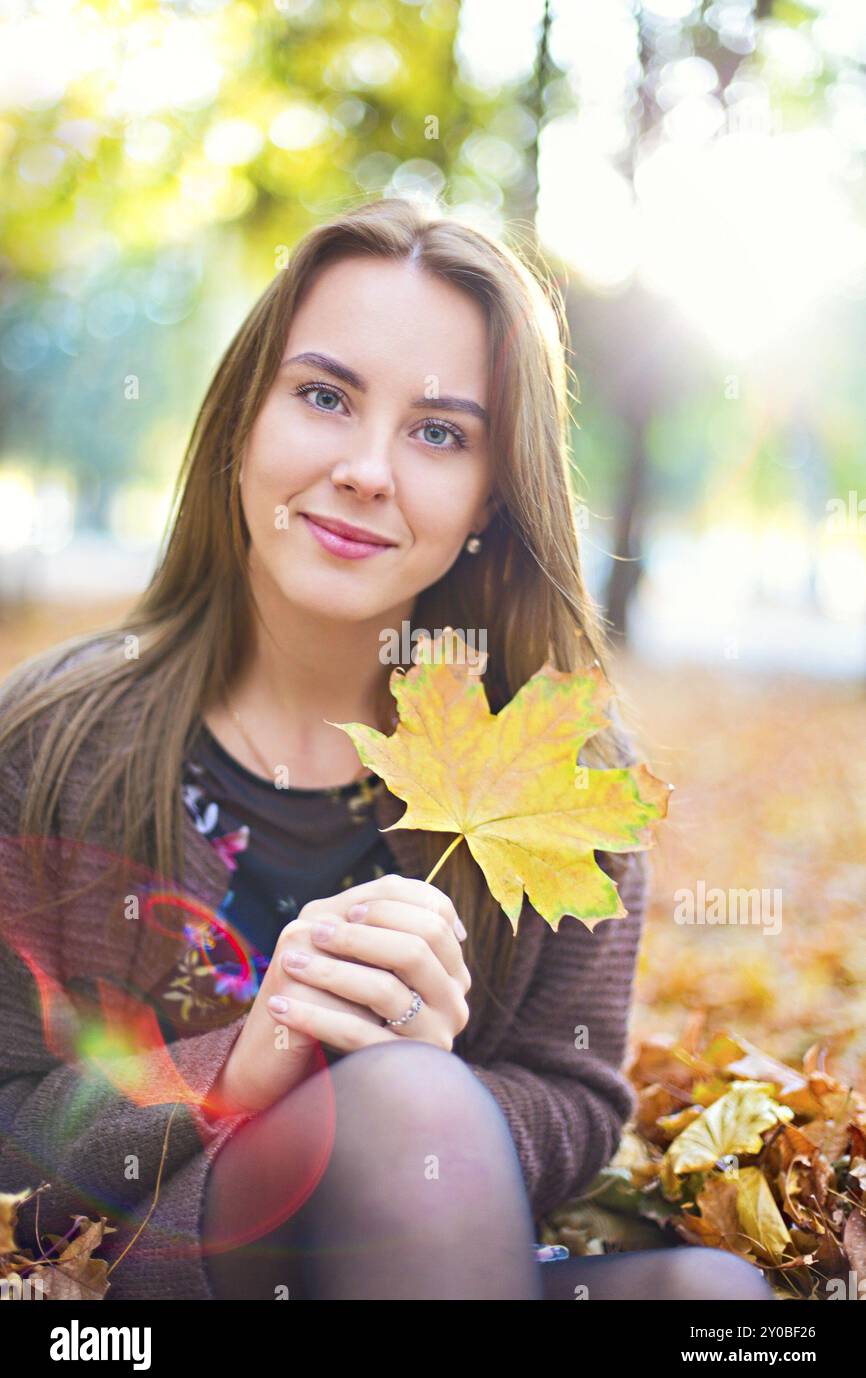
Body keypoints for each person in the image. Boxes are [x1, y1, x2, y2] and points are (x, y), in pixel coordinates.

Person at [0, 196, 774, 1301]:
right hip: (157, 1277)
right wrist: (245, 1066)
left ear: (490, 500)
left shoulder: (559, 772)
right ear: (241, 422)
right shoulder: (51, 742)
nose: (368, 469)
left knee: (714, 1305)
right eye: (324, 395)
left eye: (438, 431)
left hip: (434, 1257)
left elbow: (577, 1098)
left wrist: (434, 1080)